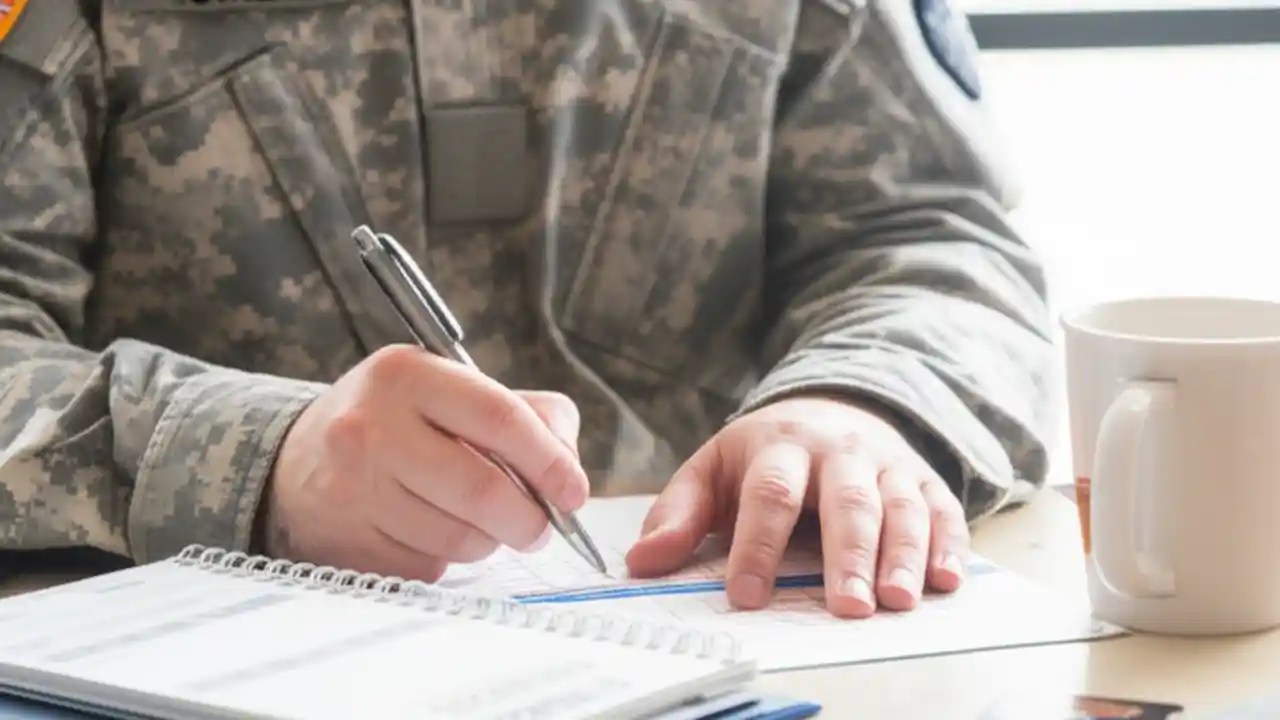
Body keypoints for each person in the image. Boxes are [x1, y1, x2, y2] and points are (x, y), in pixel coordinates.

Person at [0, 0, 1055, 619]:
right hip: (190, 636)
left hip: (717, 630)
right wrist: (258, 456)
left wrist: (858, 402)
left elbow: (923, 233)